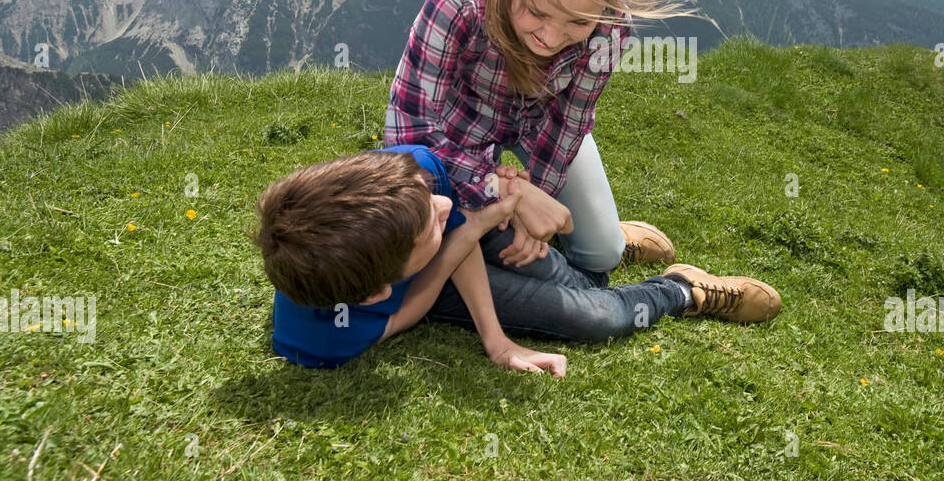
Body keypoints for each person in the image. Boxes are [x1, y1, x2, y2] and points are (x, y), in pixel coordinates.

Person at [253, 146, 781, 373]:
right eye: (432, 218)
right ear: (377, 290)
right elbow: (409, 311)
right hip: (434, 277)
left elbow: (447, 215)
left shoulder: (409, 174)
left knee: (579, 282)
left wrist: (495, 335)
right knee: (591, 314)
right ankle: (680, 289)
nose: (442, 201)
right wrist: (472, 228)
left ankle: (610, 248)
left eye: (428, 196)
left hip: (453, 247)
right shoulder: (321, 340)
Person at [383, 0, 681, 274]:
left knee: (602, 255)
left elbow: (569, 121)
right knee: (447, 237)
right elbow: (408, 135)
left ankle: (607, 235)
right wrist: (506, 191)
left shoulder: (612, 27)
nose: (552, 36)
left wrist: (537, 194)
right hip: (456, 128)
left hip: (542, 128)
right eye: (537, 12)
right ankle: (569, 229)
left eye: (577, 23)